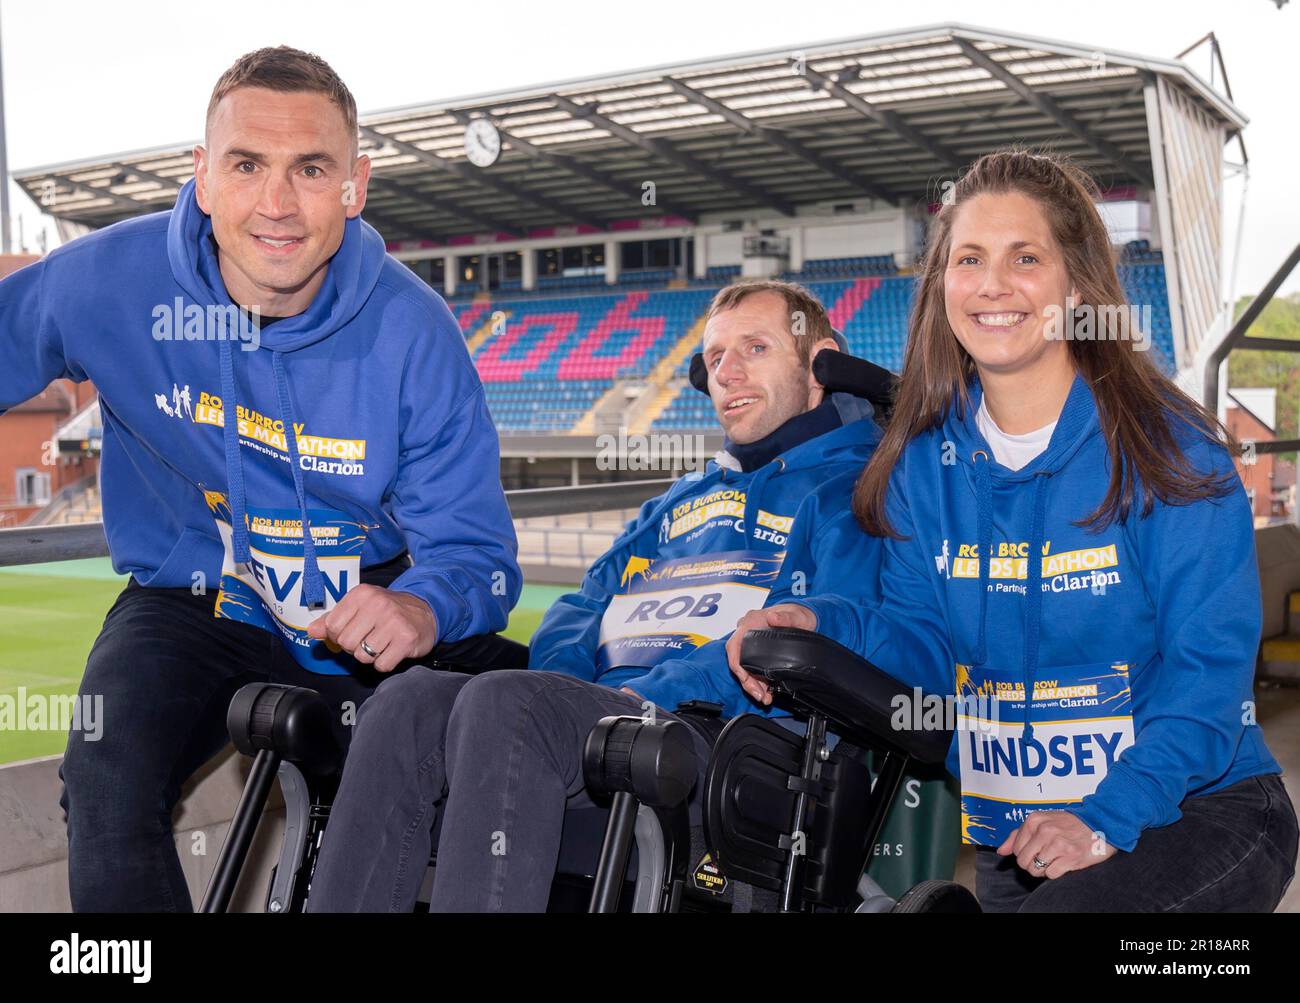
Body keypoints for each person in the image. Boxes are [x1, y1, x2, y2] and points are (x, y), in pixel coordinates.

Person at [0, 46, 521, 911]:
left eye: (310, 169)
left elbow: (478, 555)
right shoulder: (107, 280)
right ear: (203, 177)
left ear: (354, 185)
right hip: (188, 596)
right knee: (106, 778)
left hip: (360, 605)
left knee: (500, 755)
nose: (276, 205)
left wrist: (422, 605)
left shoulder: (416, 332)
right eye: (247, 165)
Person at [729, 150, 1298, 913]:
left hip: (1200, 809)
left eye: (1024, 257)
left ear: (1076, 281)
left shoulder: (1171, 451)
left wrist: (1106, 816)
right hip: (1022, 836)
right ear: (944, 286)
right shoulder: (921, 466)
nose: (993, 284)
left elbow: (1207, 675)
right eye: (969, 259)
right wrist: (818, 623)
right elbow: (921, 646)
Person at [306, 279, 882, 911]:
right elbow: (582, 608)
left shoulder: (856, 491)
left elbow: (824, 632)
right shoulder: (677, 500)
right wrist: (569, 692)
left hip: (730, 746)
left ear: (819, 364)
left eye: (755, 348)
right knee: (408, 698)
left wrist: (637, 697)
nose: (728, 372)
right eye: (715, 358)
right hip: (605, 720)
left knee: (513, 706)